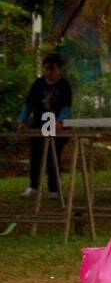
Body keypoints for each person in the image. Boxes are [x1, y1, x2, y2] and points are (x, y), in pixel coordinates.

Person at [18, 54, 72, 198]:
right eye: (46, 69)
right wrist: (22, 120)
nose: (49, 73)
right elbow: (28, 104)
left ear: (59, 69)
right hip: (39, 125)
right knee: (36, 156)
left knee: (53, 158)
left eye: (52, 69)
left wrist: (61, 121)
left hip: (56, 127)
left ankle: (54, 189)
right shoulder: (38, 84)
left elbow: (67, 107)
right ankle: (34, 186)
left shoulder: (64, 86)